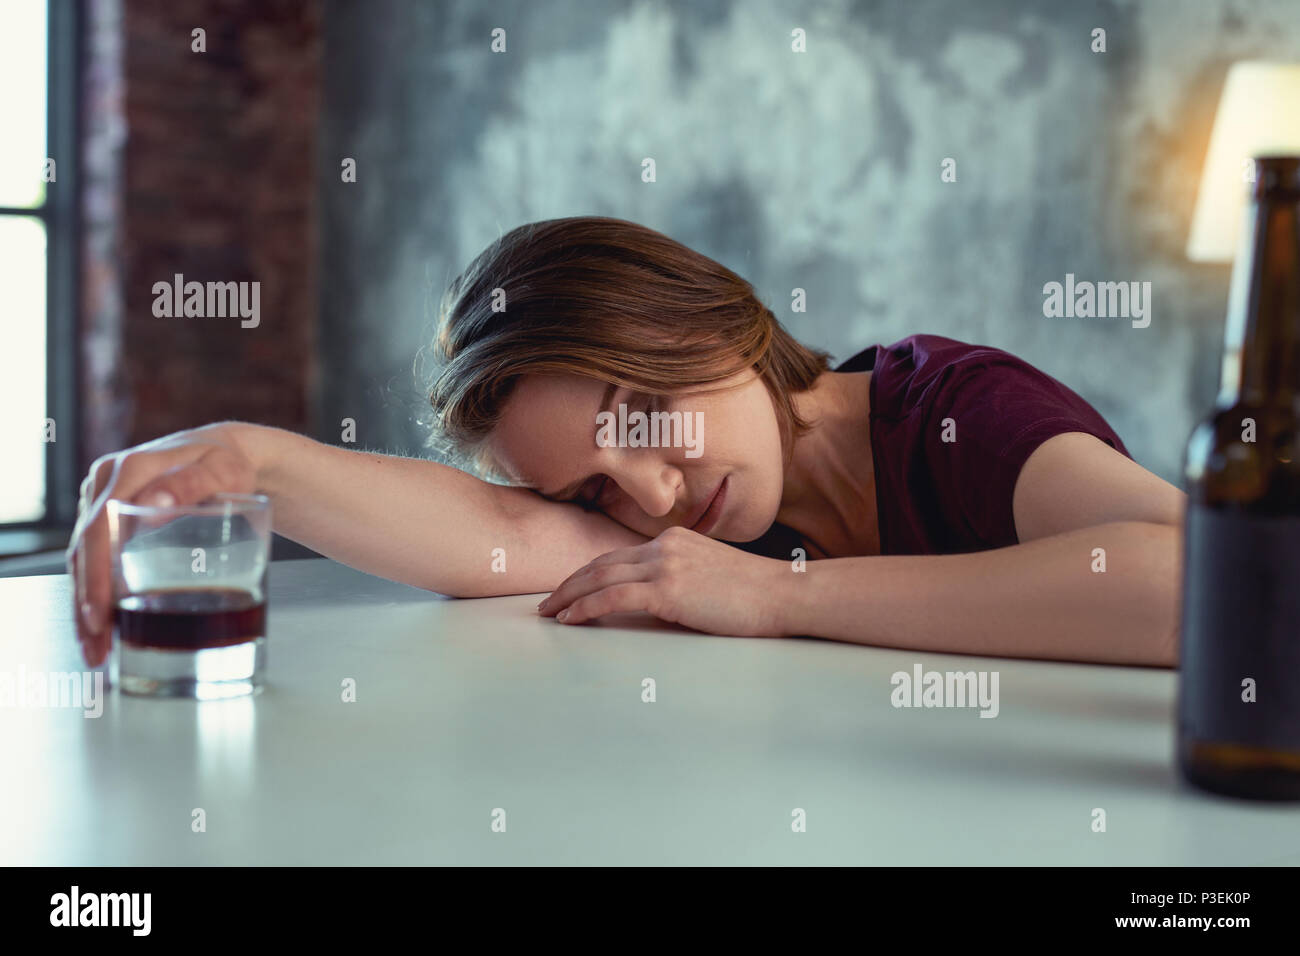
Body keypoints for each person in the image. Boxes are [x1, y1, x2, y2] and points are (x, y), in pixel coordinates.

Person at [68, 216, 1185, 669]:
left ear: (697, 315)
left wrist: (780, 597)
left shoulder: (954, 408)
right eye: (595, 489)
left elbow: (1204, 581)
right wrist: (251, 457)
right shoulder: (692, 514)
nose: (651, 496)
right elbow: (500, 531)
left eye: (639, 415)